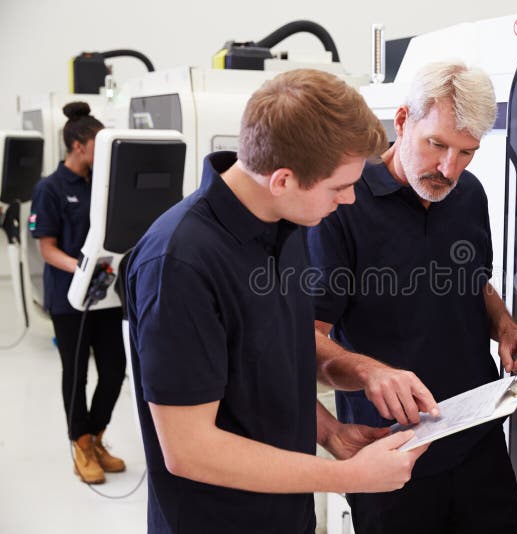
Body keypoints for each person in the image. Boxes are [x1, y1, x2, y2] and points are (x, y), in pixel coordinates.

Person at [125, 69, 428, 534]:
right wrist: (346, 477)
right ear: (283, 179)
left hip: (286, 514)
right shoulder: (179, 264)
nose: (349, 200)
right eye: (339, 187)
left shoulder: (286, 226)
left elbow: (268, 364)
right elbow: (189, 450)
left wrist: (331, 432)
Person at [307, 61, 517, 533]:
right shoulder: (344, 206)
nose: (448, 168)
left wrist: (506, 327)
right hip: (392, 452)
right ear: (401, 121)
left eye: (466, 152)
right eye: (436, 144)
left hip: (477, 442)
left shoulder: (469, 195)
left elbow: (473, 280)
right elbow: (304, 336)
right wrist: (371, 373)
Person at [30, 102, 127, 484]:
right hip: (68, 298)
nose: (101, 151)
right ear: (77, 145)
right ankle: (81, 443)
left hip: (104, 293)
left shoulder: (99, 186)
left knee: (114, 370)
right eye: (96, 143)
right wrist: (82, 269)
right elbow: (46, 247)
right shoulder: (50, 188)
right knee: (76, 375)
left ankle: (97, 435)